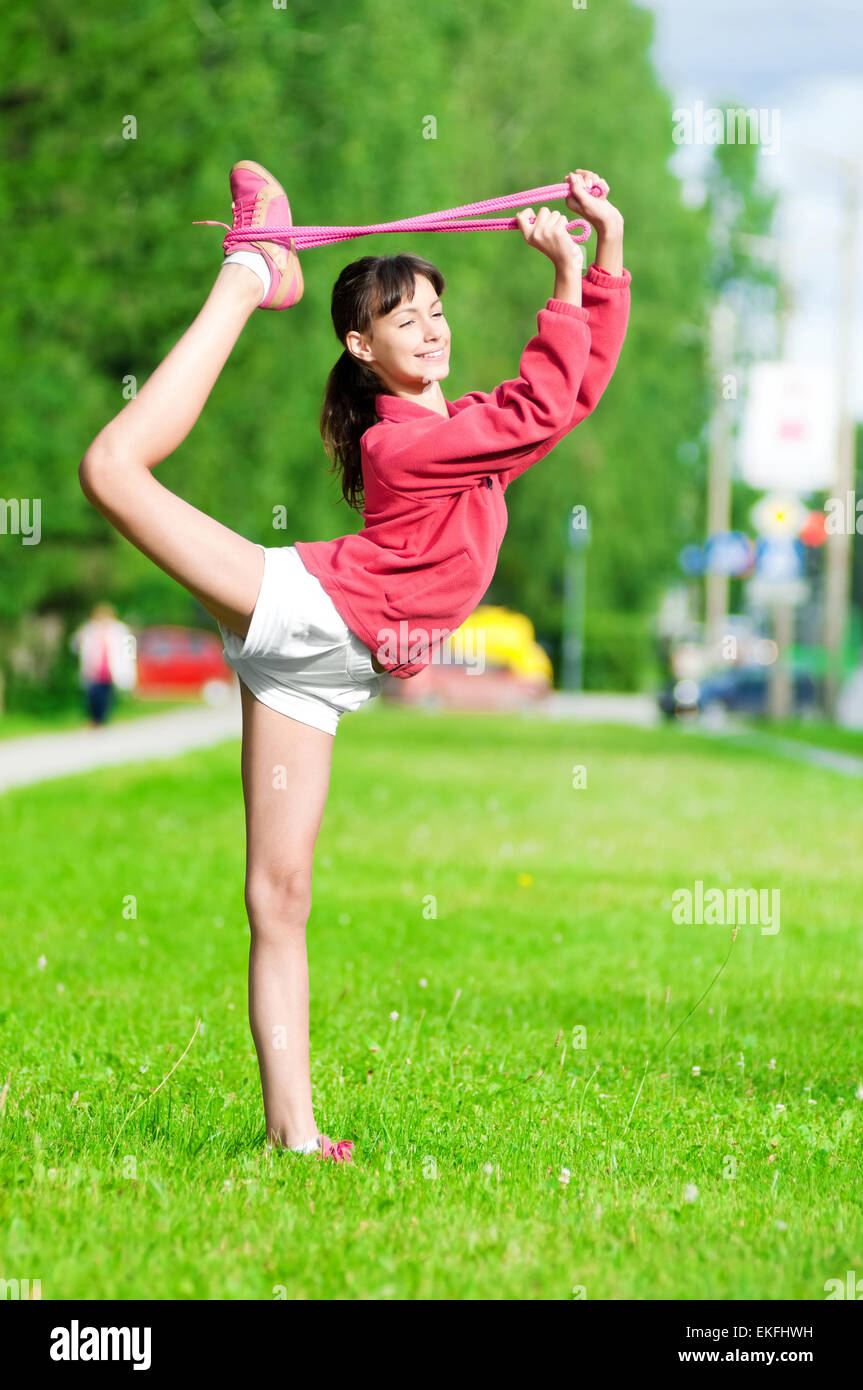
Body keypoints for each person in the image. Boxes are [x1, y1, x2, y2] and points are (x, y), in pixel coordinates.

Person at [79, 160, 630, 1163]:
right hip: (305, 615)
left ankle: (293, 1136)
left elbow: (569, 396)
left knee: (277, 898)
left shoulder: (458, 431)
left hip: (318, 673)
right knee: (109, 469)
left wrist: (606, 258)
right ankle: (252, 272)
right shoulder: (402, 447)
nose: (429, 328)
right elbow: (536, 411)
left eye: (433, 311)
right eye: (404, 317)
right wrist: (558, 282)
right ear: (358, 344)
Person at [69, 601, 137, 727]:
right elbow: (75, 645)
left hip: (112, 669)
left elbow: (130, 648)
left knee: (107, 695)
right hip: (94, 669)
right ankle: (94, 719)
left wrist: (130, 665)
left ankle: (103, 719)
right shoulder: (89, 629)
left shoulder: (120, 629)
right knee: (93, 695)